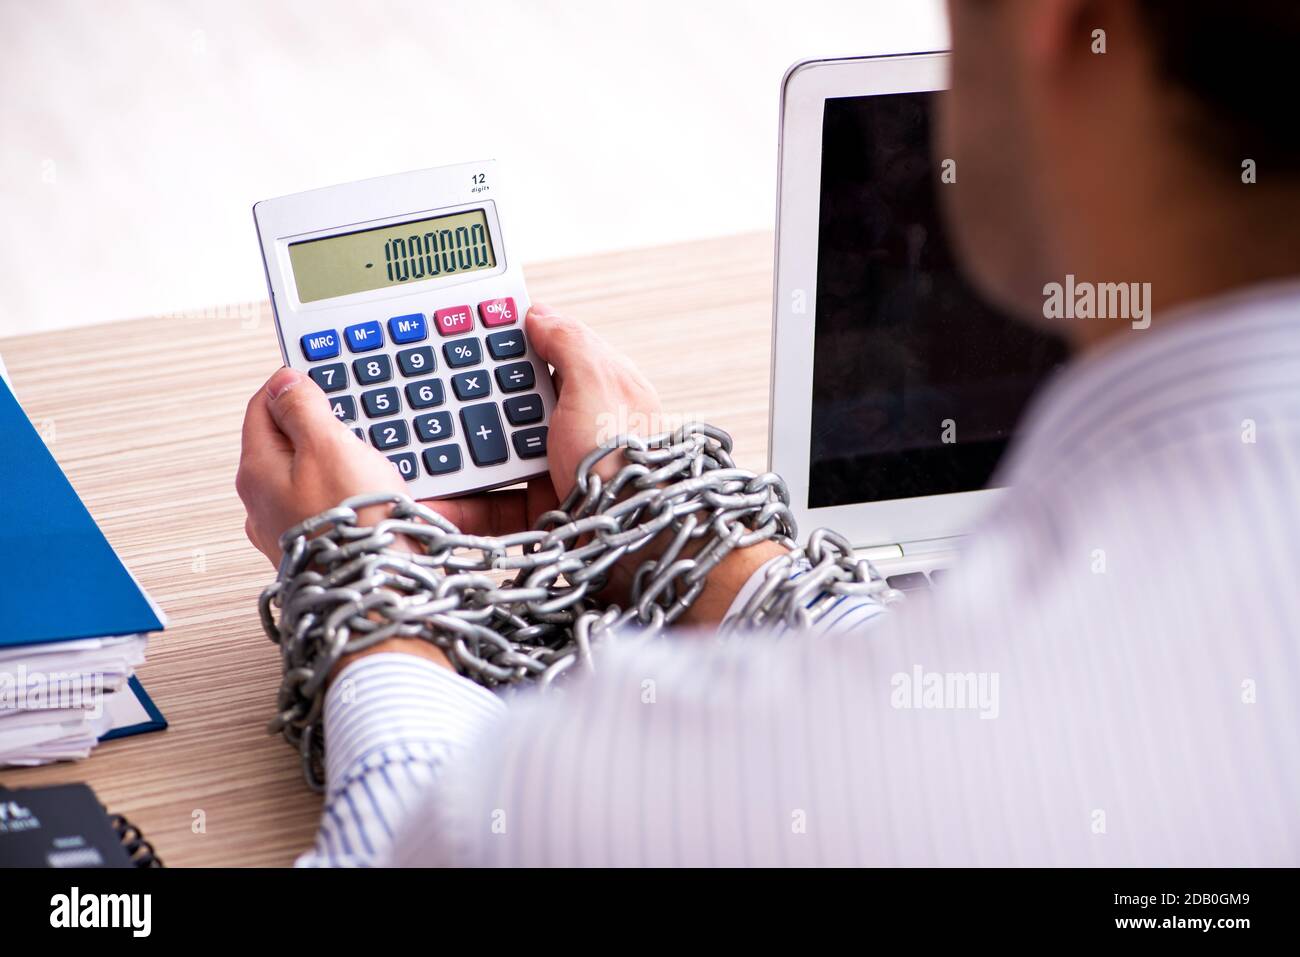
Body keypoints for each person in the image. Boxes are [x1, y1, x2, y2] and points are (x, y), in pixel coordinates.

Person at [237, 0, 1300, 866]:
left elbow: (420, 844)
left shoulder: (620, 790)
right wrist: (688, 541)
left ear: (1050, 18)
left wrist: (368, 589)